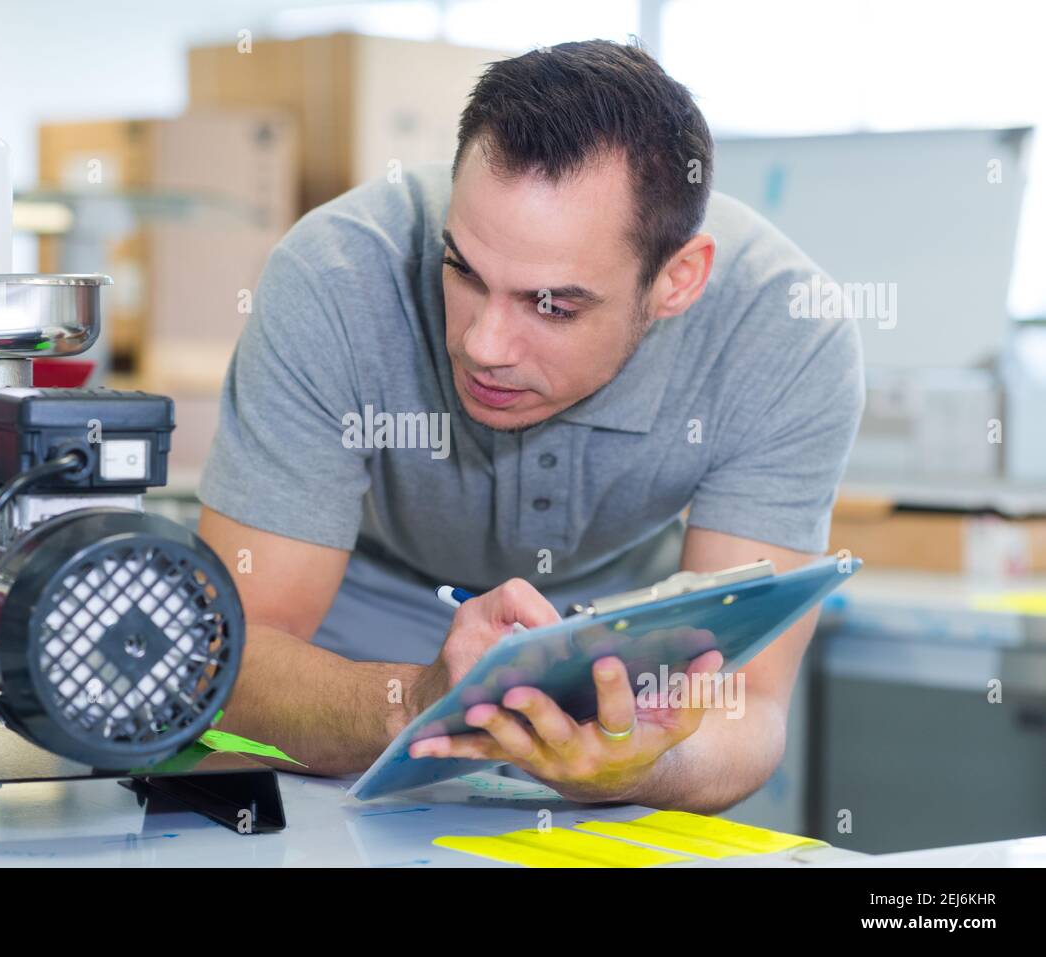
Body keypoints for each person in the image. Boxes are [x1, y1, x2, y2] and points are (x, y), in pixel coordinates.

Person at [195, 39, 864, 810]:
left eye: (553, 304)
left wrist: (644, 761)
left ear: (678, 280)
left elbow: (750, 700)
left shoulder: (780, 330)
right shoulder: (334, 279)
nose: (482, 346)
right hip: (360, 625)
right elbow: (231, 656)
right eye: (464, 271)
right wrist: (420, 700)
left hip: (620, 643)